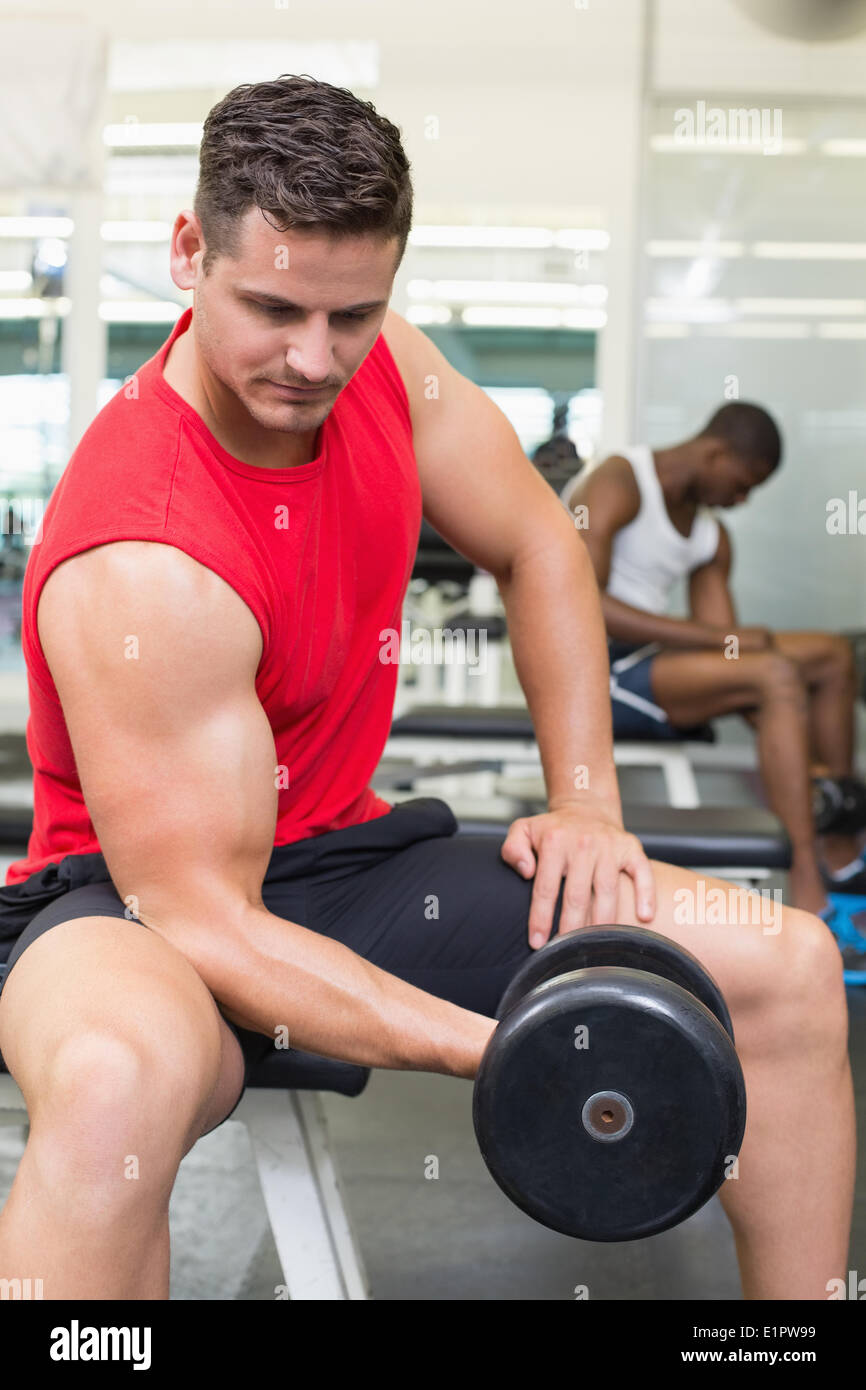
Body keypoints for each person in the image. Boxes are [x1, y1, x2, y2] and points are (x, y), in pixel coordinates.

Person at [0, 76, 851, 1301]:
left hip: (346, 861)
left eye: (350, 313)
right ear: (188, 254)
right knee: (110, 1084)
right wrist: (509, 1046)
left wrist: (585, 802)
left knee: (782, 967)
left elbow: (540, 544)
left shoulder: (386, 364)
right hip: (134, 905)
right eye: (274, 308)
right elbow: (202, 918)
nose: (313, 357)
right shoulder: (147, 553)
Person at [563, 404, 866, 964]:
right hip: (593, 672)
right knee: (772, 668)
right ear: (715, 453)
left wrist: (798, 751)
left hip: (658, 664)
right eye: (743, 484)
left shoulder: (710, 535)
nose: (742, 500)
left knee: (830, 656)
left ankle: (841, 845)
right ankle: (806, 884)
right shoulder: (619, 482)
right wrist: (720, 644)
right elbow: (585, 603)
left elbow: (728, 655)